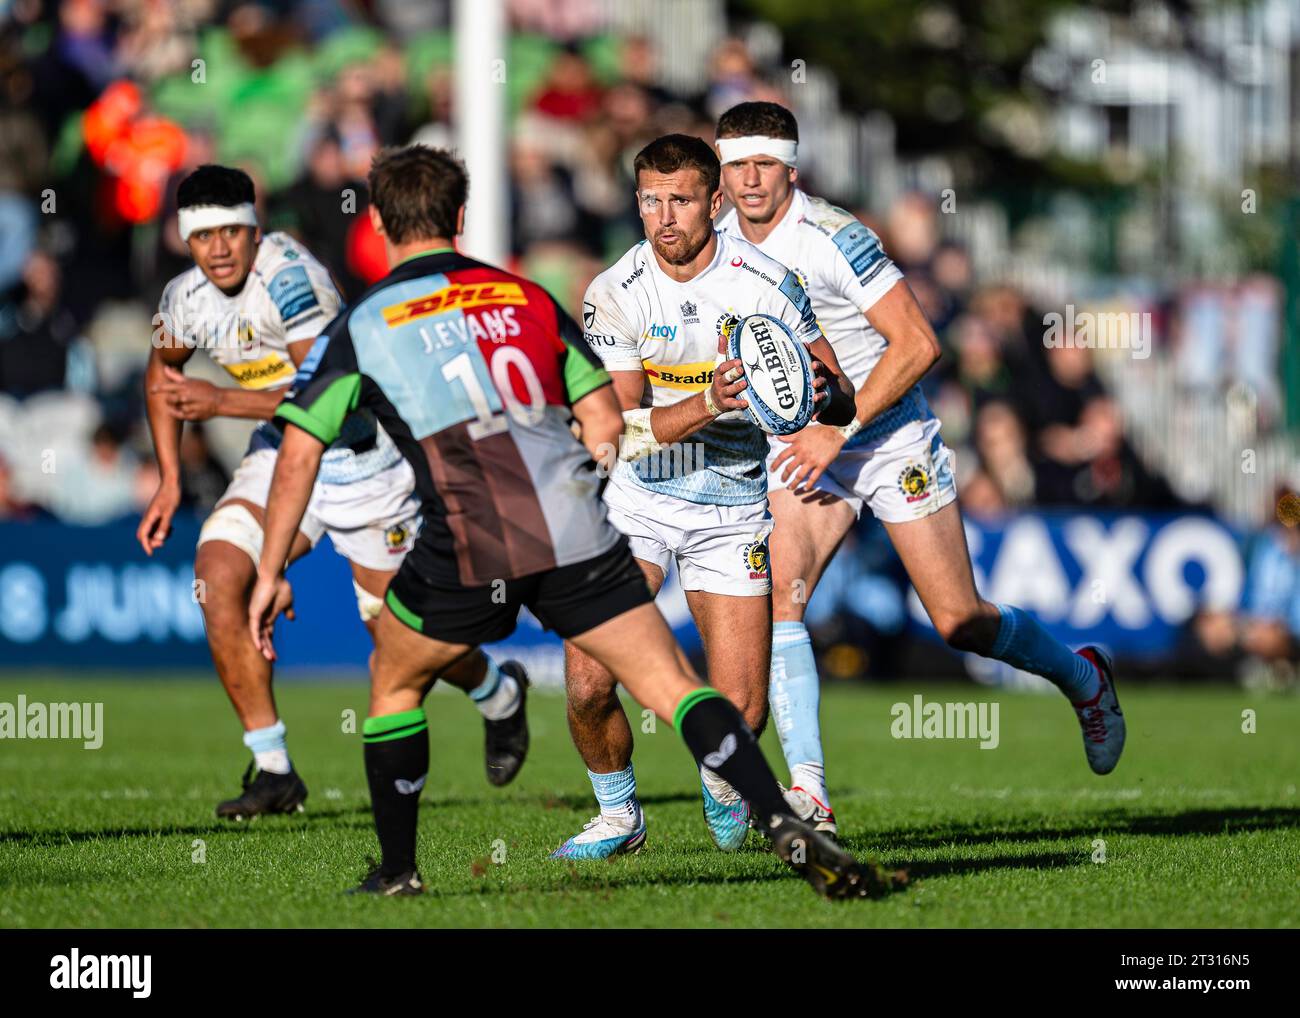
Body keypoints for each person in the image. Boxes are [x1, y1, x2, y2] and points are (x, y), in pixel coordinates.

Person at [246, 144, 888, 900]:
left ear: (382, 225)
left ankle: (397, 870)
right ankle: (780, 819)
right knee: (671, 685)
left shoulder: (364, 323)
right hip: (575, 517)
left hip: (469, 528)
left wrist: (268, 569)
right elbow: (600, 421)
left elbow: (298, 453)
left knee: (393, 677)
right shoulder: (526, 297)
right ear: (461, 216)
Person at [712, 102, 1124, 835]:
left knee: (958, 620)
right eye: (737, 164)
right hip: (809, 446)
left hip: (888, 437)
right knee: (782, 595)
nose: (749, 179)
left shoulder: (835, 235)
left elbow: (918, 345)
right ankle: (811, 794)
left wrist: (840, 428)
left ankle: (1084, 678)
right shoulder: (717, 243)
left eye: (763, 164)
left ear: (791, 169)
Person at [138, 164, 529, 820]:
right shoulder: (183, 300)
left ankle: (497, 692)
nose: (222, 248)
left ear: (254, 228)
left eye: (234, 231)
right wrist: (172, 479)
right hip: (282, 453)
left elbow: (330, 394)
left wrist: (221, 401)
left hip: (361, 460)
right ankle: (273, 768)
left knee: (403, 638)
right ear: (186, 241)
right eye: (206, 237)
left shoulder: (291, 279)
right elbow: (161, 373)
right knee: (217, 576)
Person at [554, 134, 857, 859]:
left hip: (730, 508)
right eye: (651, 201)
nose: (665, 218)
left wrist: (824, 395)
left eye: (681, 200)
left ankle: (721, 793)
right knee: (589, 682)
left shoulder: (767, 281)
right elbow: (622, 428)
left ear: (714, 202)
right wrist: (711, 401)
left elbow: (838, 394)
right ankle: (618, 816)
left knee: (742, 709)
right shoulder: (614, 291)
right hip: (638, 503)